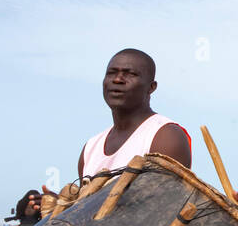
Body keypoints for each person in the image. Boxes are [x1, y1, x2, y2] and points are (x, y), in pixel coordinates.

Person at [79, 48, 192, 179]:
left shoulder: (165, 136)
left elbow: (164, 197)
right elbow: (84, 200)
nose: (117, 79)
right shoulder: (90, 149)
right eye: (111, 73)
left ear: (151, 87)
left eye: (130, 74)